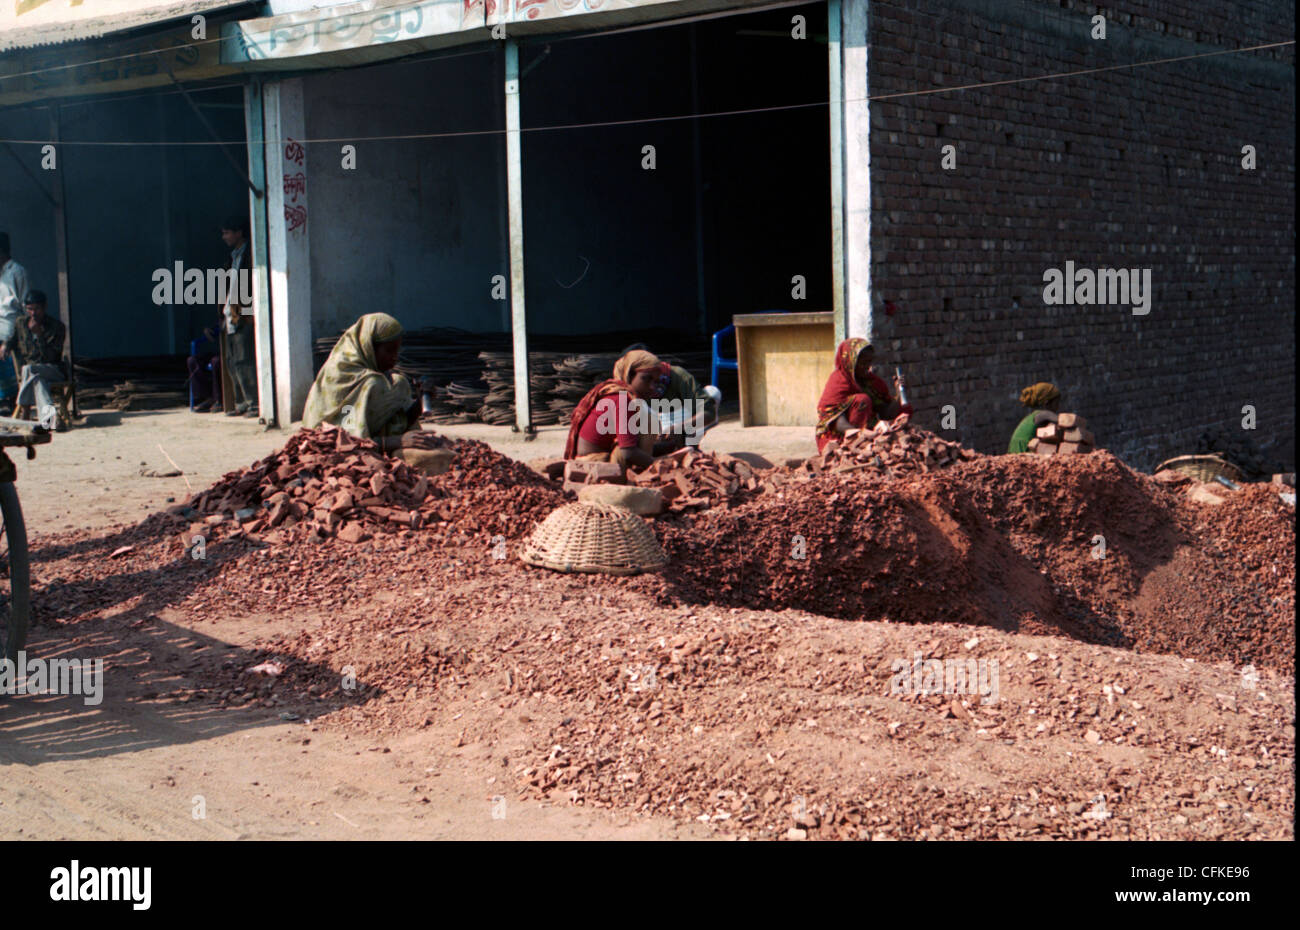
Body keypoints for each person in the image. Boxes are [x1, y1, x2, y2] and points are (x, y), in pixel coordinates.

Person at [302, 312, 440, 452]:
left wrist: (420, 402)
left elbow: (396, 421)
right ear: (368, 347)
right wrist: (396, 441)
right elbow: (347, 436)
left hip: (361, 437)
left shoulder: (383, 378)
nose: (395, 358)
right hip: (330, 444)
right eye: (389, 351)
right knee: (375, 383)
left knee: (400, 382)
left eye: (397, 351)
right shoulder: (345, 376)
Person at [564, 349, 666, 470]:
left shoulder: (621, 395)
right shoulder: (621, 399)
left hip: (599, 457)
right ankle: (637, 476)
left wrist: (670, 448)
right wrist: (660, 467)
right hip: (593, 465)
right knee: (649, 421)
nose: (652, 387)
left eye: (656, 382)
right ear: (630, 374)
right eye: (646, 379)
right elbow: (628, 453)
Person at [815, 337, 911, 453]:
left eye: (869, 362)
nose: (868, 367)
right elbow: (835, 420)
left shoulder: (872, 382)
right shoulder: (838, 381)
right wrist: (860, 434)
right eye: (863, 362)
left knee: (905, 409)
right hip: (840, 436)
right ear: (851, 361)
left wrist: (899, 393)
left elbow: (886, 413)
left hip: (868, 433)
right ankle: (852, 447)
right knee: (862, 400)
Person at [1, 290, 69, 430]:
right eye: (29, 309)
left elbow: (51, 357)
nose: (33, 313)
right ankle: (49, 421)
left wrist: (40, 336)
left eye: (37, 309)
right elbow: (12, 339)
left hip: (53, 369)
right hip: (34, 375)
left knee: (28, 369)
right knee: (38, 382)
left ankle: (24, 410)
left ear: (44, 307)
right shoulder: (21, 323)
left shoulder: (56, 327)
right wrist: (5, 346)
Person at [218, 216, 257, 417]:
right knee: (232, 361)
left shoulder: (250, 255)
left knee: (245, 359)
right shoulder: (232, 257)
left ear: (239, 232)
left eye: (227, 232)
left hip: (243, 315)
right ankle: (241, 402)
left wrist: (249, 315)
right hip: (230, 316)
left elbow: (252, 287)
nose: (224, 237)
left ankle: (254, 403)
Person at [1008, 382, 1061, 454]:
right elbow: (1065, 421)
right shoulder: (1044, 414)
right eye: (1057, 402)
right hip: (1023, 448)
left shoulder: (1033, 415)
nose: (1058, 406)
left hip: (1014, 448)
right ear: (1047, 402)